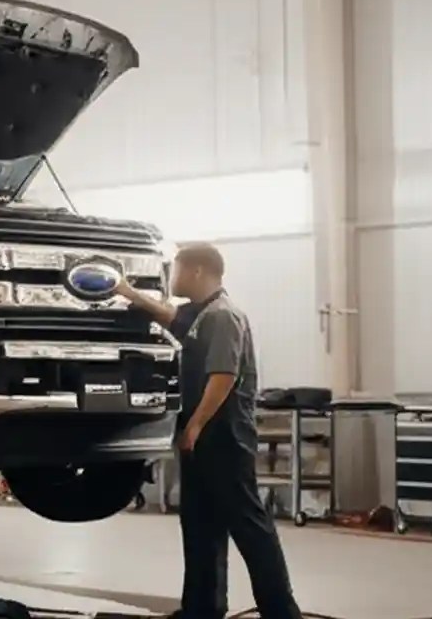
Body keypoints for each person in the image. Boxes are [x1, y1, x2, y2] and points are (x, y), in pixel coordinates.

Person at [117, 242, 302, 619]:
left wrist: (196, 424)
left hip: (224, 435)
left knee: (248, 525)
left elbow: (224, 376)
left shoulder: (222, 316)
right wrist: (130, 293)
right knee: (201, 524)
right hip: (202, 435)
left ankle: (281, 611)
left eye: (178, 269)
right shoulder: (201, 315)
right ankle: (202, 608)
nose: (173, 277)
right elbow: (171, 317)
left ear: (197, 271)